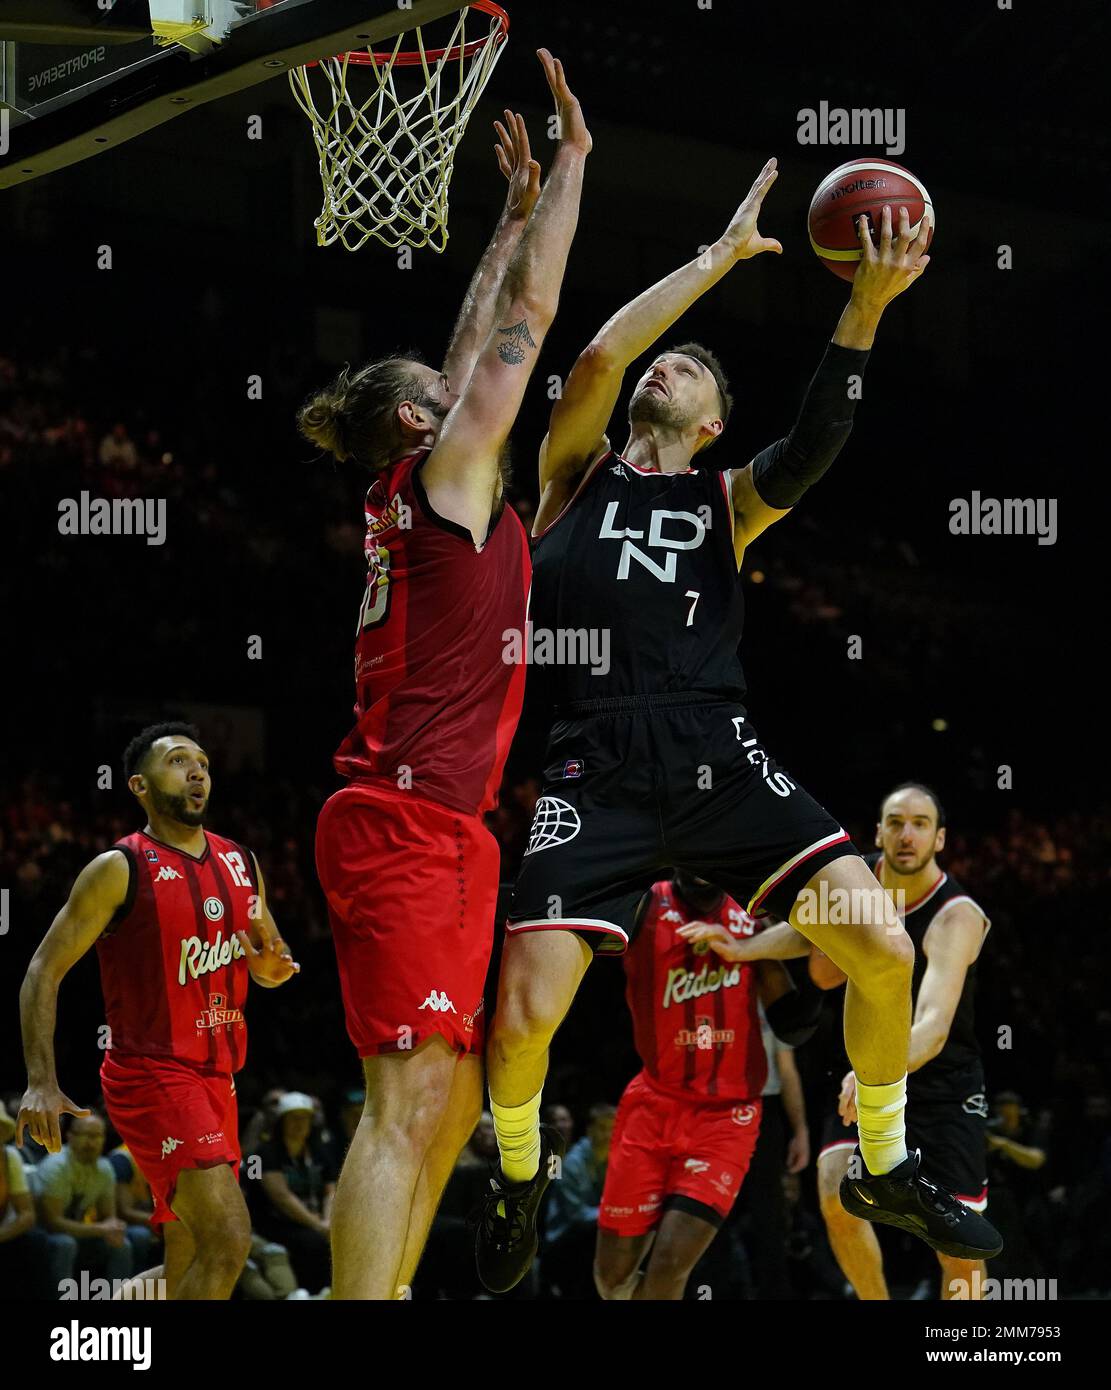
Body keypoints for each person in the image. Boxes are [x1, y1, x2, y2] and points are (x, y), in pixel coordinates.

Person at [475, 159, 999, 1289]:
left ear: (712, 424)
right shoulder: (574, 477)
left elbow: (810, 449)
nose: (668, 366)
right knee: (520, 1020)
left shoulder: (724, 504)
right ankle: (516, 1171)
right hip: (596, 761)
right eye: (669, 361)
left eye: (695, 373)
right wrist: (713, 262)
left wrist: (861, 307)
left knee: (880, 945)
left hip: (720, 753)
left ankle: (889, 1160)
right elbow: (601, 356)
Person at [304, 49, 591, 1300]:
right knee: (409, 1093)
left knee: (456, 1090)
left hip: (452, 829)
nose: (471, 390)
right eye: (449, 395)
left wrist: (509, 216)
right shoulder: (443, 485)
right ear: (426, 426)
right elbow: (513, 340)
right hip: (403, 824)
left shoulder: (426, 490)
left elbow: (477, 341)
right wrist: (572, 175)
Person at [17, 722, 298, 1300]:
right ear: (140, 785)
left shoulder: (241, 861)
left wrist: (272, 969)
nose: (197, 771)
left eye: (204, 762)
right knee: (229, 1239)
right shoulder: (119, 867)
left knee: (185, 1268)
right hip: (152, 1073)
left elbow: (271, 961)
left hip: (218, 1079)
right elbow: (43, 970)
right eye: (178, 761)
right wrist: (41, 1081)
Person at [716, 783, 994, 1299]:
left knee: (959, 1250)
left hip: (940, 1083)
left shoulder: (956, 915)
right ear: (879, 831)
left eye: (919, 824)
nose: (905, 835)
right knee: (834, 1194)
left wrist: (874, 1075)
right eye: (895, 822)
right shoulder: (859, 879)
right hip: (867, 1069)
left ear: (940, 839)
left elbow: (932, 1029)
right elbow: (807, 932)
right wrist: (742, 950)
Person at [592, 875, 818, 1300]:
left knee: (668, 1271)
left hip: (726, 1118)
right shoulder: (642, 907)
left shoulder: (750, 917)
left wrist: (826, 969)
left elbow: (794, 1025)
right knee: (611, 1281)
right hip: (652, 1105)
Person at [35, 1112, 150, 1288]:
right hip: (44, 1235)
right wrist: (101, 1229)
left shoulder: (104, 1169)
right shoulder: (56, 1166)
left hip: (81, 1232)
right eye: (85, 1135)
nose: (91, 1142)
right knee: (66, 1244)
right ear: (70, 1136)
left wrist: (114, 1227)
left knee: (122, 1244)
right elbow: (53, 1223)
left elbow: (108, 1216)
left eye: (97, 1136)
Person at [252, 1092, 336, 1296]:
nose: (300, 1123)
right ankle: (309, 1292)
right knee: (311, 1242)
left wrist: (328, 1221)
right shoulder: (265, 1153)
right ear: (281, 1122)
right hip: (277, 1223)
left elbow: (331, 1191)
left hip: (317, 1220)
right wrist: (317, 1225)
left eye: (304, 1117)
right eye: (293, 1118)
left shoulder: (320, 1151)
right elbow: (282, 1198)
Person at [543, 1103, 615, 1298]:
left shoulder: (615, 1159)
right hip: (563, 1238)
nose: (608, 1135)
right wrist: (615, 1212)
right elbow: (577, 1216)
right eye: (602, 1129)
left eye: (612, 1129)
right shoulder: (571, 1164)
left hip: (593, 1232)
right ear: (590, 1130)